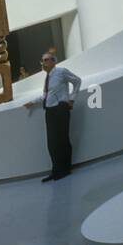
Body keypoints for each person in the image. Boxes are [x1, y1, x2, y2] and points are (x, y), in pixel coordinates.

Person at [24, 52, 82, 181]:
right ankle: (56, 170)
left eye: (46, 60)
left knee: (62, 140)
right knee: (52, 143)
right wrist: (33, 102)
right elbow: (46, 96)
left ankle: (65, 170)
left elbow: (77, 81)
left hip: (60, 109)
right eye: (42, 60)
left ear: (53, 61)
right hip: (50, 111)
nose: (43, 63)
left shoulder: (61, 72)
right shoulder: (48, 77)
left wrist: (71, 99)